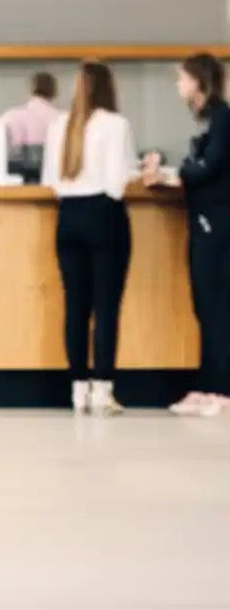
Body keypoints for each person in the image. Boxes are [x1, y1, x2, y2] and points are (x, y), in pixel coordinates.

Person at [41, 61, 136, 415]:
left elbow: (51, 180)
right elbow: (117, 183)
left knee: (76, 307)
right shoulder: (116, 124)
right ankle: (103, 390)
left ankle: (77, 389)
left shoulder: (58, 125)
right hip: (104, 216)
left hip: (68, 217)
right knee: (106, 307)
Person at [142, 53, 230, 416]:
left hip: (218, 222)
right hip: (203, 220)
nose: (178, 85)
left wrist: (176, 173)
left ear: (198, 81)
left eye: (182, 79)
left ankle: (221, 390)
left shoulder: (224, 118)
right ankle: (205, 384)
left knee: (217, 308)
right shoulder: (211, 122)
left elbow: (208, 167)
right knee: (203, 306)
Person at [0, 72, 61, 181]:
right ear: (54, 92)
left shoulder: (11, 116)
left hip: (16, 182)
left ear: (31, 89)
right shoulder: (63, 119)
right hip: (54, 181)